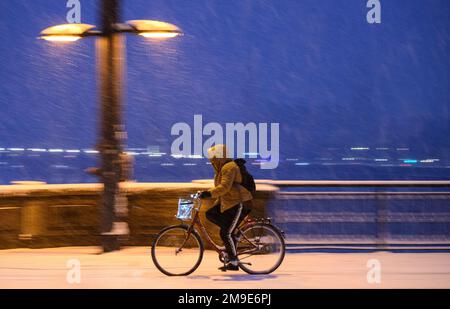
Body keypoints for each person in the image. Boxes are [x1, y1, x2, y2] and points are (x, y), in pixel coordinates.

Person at [199, 144, 253, 271]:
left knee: (225, 232)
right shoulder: (221, 170)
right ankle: (230, 239)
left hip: (240, 203)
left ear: (219, 157)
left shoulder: (229, 167)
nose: (211, 161)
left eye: (213, 158)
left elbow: (224, 188)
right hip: (230, 203)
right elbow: (224, 191)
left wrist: (209, 193)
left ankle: (234, 262)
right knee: (210, 214)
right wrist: (211, 198)